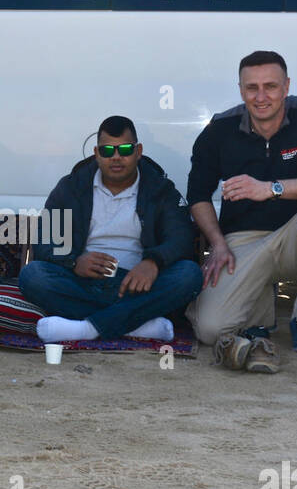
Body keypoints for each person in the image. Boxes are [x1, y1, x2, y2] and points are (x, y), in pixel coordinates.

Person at [186, 50, 297, 373]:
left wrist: (270, 188)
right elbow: (197, 196)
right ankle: (260, 314)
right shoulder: (220, 128)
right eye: (252, 88)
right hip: (242, 242)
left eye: (271, 86)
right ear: (240, 89)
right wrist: (217, 244)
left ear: (286, 86)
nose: (261, 97)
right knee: (209, 330)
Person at [18, 115, 202, 343]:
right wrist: (75, 262)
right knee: (33, 275)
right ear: (96, 153)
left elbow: (181, 237)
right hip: (83, 282)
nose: (116, 157)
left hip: (139, 284)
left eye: (124, 149)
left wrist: (153, 262)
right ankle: (135, 324)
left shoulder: (160, 189)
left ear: (138, 151)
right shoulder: (71, 187)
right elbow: (46, 240)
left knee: (189, 275)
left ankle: (85, 329)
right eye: (107, 151)